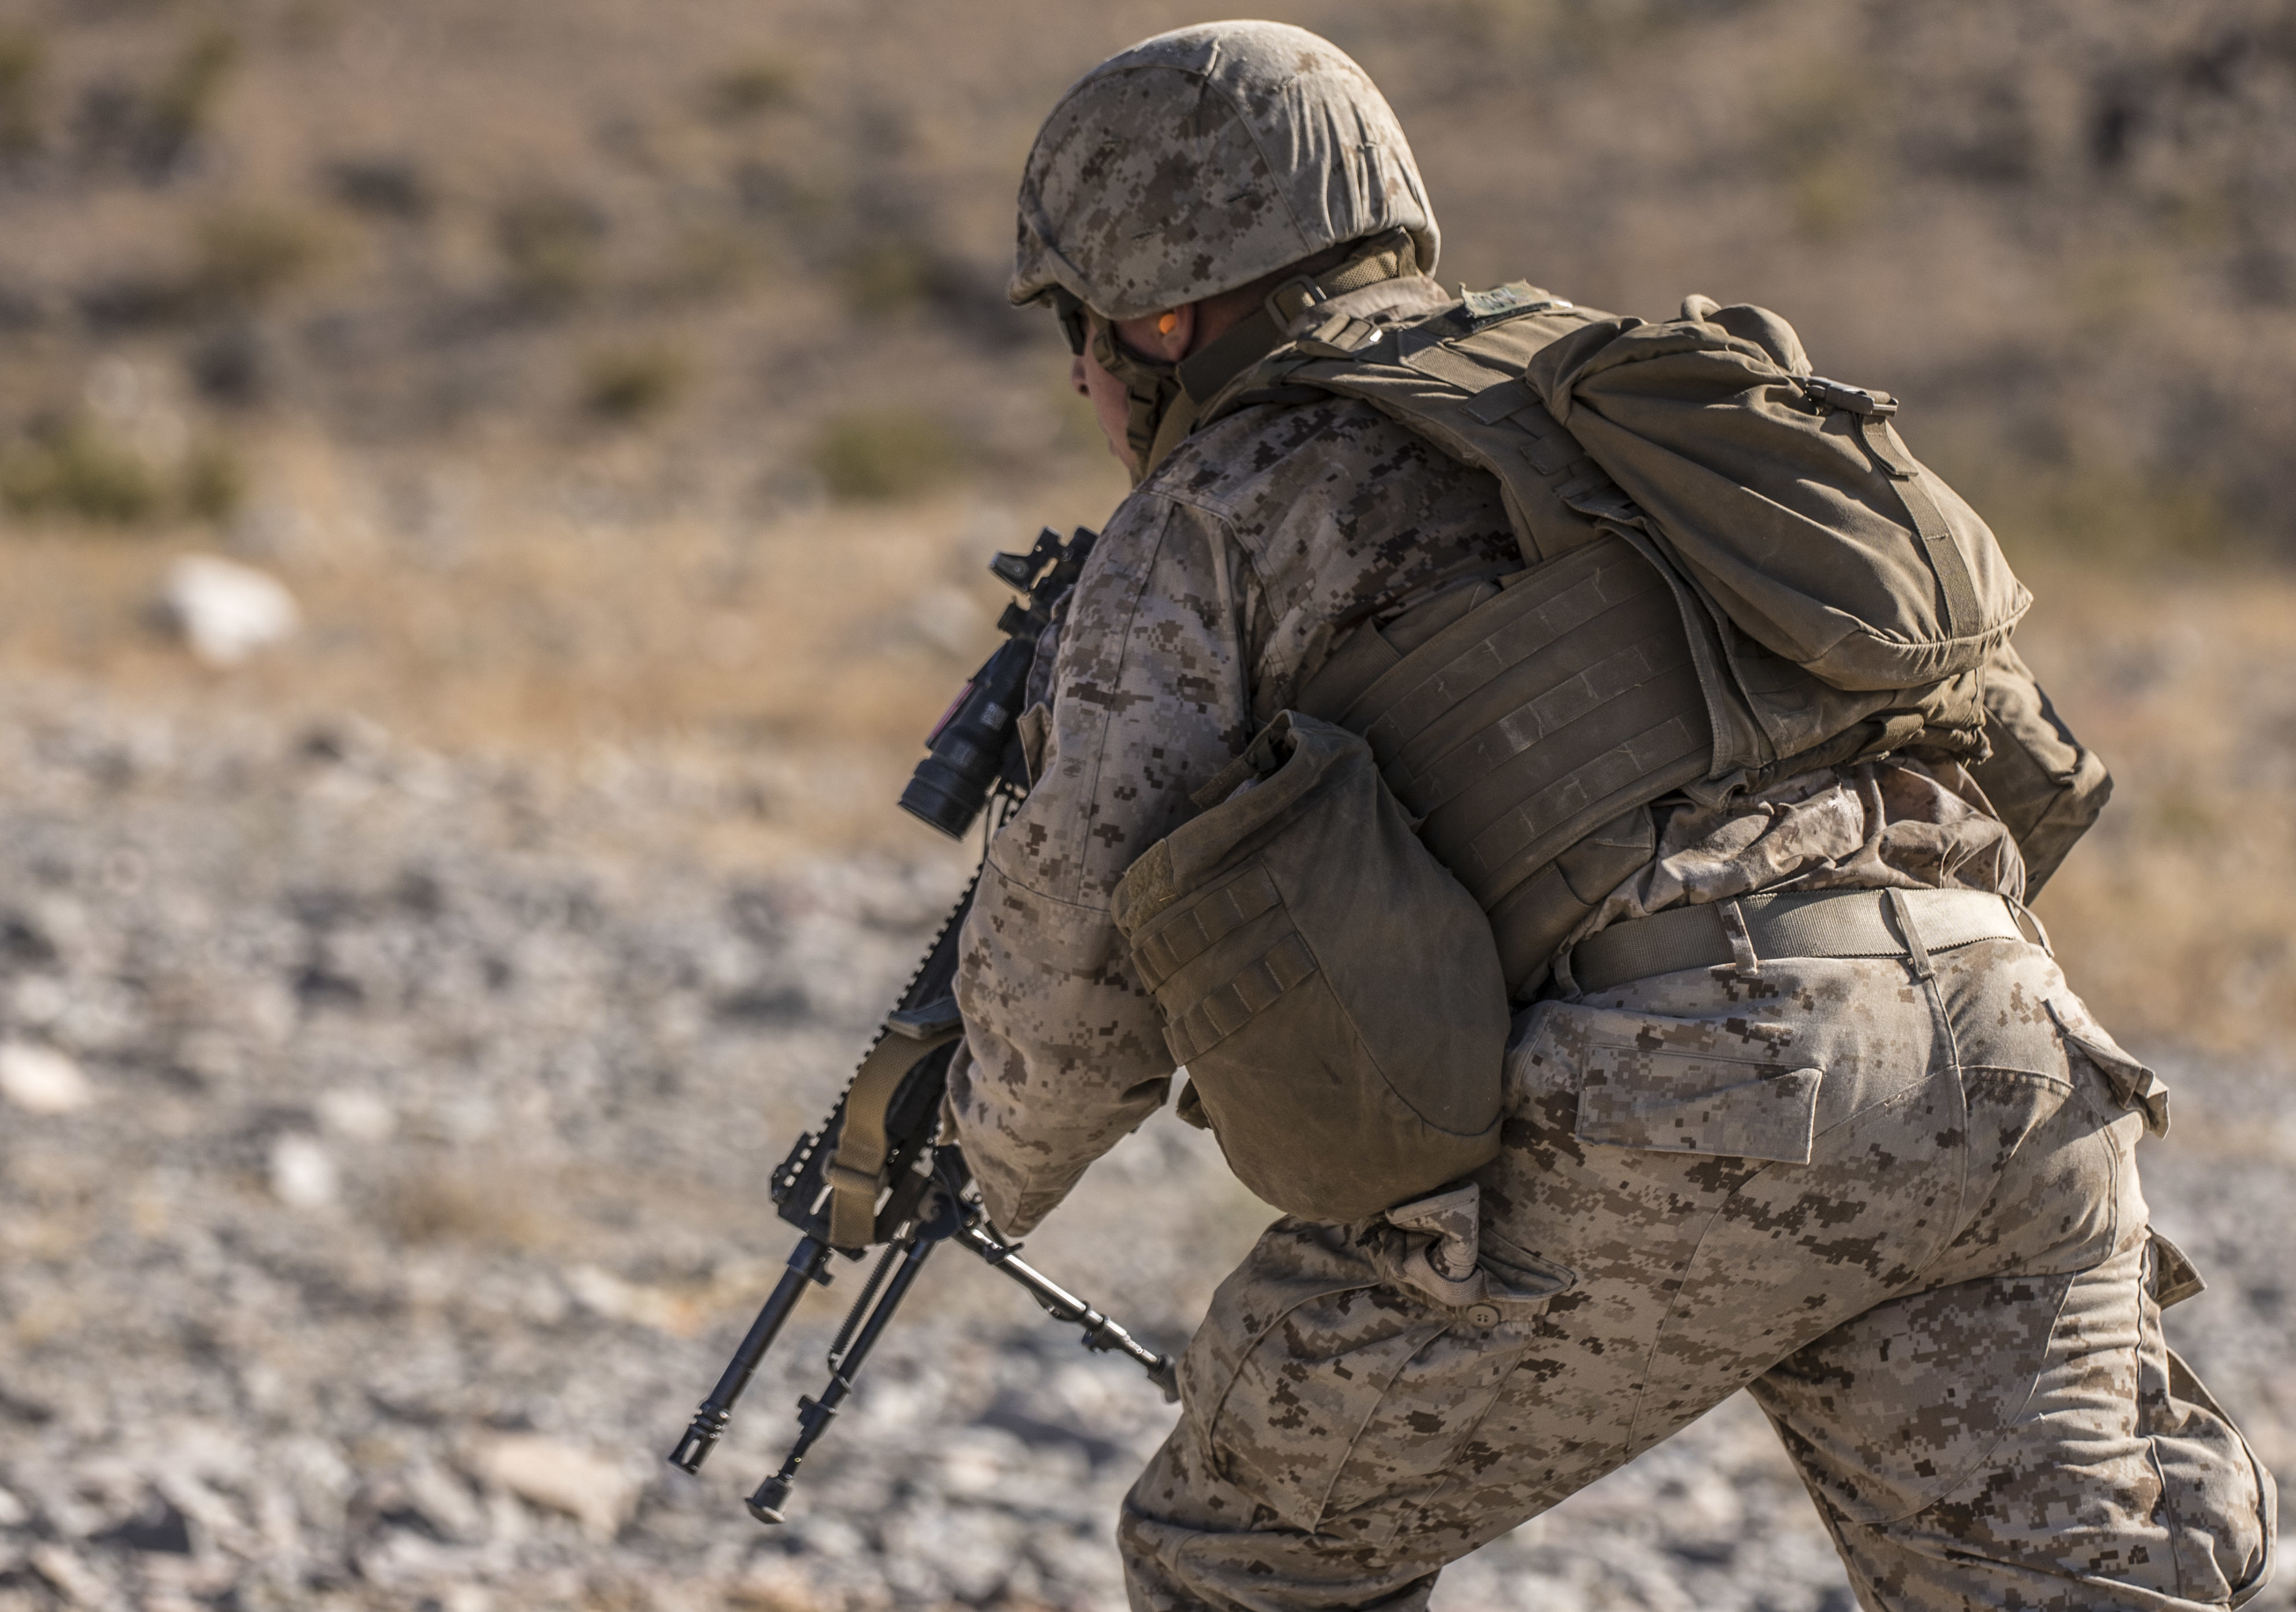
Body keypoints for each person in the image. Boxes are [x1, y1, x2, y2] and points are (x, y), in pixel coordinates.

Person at [947, 20, 2277, 1611]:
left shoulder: (1220, 505)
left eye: (1080, 338)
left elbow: (1075, 959)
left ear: (1155, 314)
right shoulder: (1626, 401)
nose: (1087, 384)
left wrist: (965, 1161)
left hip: (1678, 1079)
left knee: (1240, 1556)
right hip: (2006, 1056)